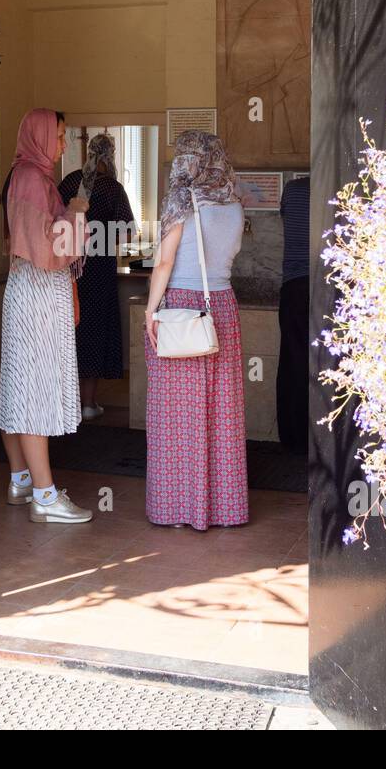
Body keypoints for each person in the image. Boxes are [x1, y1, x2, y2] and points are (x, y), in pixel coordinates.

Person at [142, 130, 249, 530]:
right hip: (222, 308)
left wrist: (150, 310)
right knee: (221, 414)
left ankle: (179, 508)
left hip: (181, 312)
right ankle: (223, 508)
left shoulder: (180, 200)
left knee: (177, 415)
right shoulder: (233, 202)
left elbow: (165, 262)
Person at [0, 108, 94, 524]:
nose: (62, 144)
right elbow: (49, 250)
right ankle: (45, 496)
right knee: (34, 392)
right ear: (39, 135)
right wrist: (77, 213)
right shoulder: (34, 181)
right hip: (37, 292)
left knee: (17, 385)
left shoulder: (22, 176)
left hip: (25, 289)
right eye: (58, 136)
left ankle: (20, 478)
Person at [58, 132, 136, 420]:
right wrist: (101, 238)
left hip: (68, 269)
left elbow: (53, 218)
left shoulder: (69, 182)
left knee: (70, 333)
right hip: (100, 269)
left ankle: (67, 403)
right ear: (110, 155)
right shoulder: (113, 189)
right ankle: (89, 403)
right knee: (95, 333)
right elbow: (127, 230)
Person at [277, 175, 311, 455]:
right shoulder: (337, 189)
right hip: (328, 286)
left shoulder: (292, 189)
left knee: (292, 361)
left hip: (293, 285)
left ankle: (291, 435)